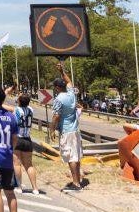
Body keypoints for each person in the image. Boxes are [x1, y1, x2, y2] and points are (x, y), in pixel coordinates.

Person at [49, 62, 84, 191]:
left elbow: (56, 116)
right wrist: (62, 71)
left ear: (57, 87)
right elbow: (69, 81)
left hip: (66, 131)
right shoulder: (71, 93)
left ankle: (76, 184)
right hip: (75, 129)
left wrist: (52, 129)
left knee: (71, 157)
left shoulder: (59, 99)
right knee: (76, 155)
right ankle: (78, 180)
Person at [8, 93, 41, 194]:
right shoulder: (31, 110)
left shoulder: (16, 110)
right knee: (29, 165)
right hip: (28, 139)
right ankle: (35, 188)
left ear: (19, 101)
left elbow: (3, 106)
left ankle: (19, 187)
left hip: (18, 138)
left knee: (17, 164)